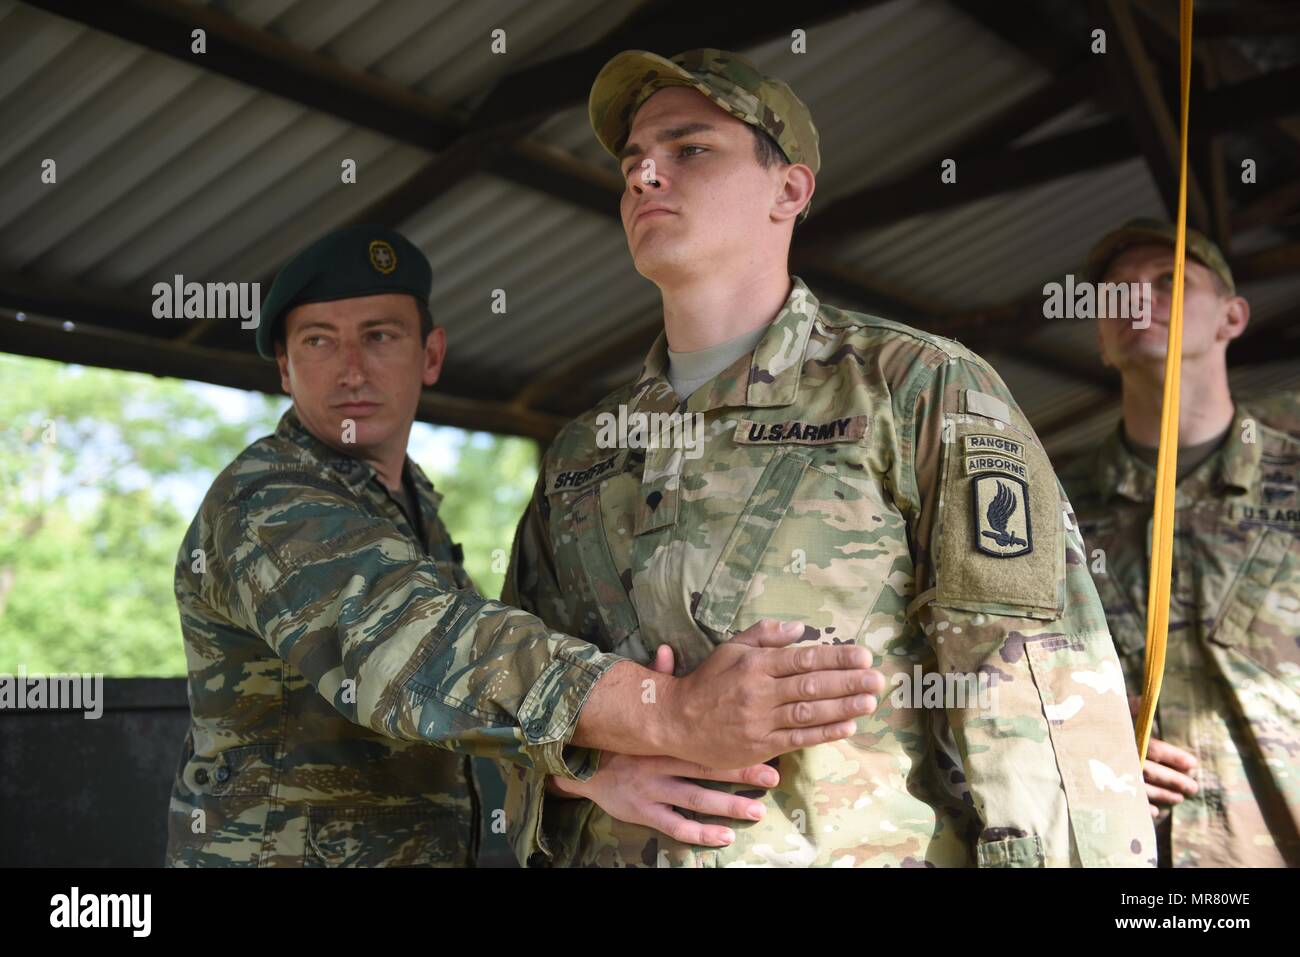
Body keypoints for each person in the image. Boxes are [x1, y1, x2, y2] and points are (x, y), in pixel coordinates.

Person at [498, 49, 1155, 868]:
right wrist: (581, 765)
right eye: (633, 160)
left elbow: (1039, 706)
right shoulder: (580, 452)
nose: (644, 176)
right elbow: (509, 700)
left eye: (689, 149)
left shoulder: (916, 387)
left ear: (790, 190)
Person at [164, 224, 882, 866]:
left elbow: (460, 707)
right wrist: (667, 711)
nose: (351, 367)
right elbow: (407, 638)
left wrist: (587, 764)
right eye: (318, 341)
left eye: (380, 335)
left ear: (431, 355)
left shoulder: (404, 502)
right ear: (285, 370)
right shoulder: (267, 498)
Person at [1059, 218, 1300, 867]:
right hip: (1133, 854)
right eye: (1116, 293)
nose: (1138, 300)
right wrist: (1081, 731)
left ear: (1232, 316)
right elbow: (1008, 671)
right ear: (1102, 339)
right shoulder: (1049, 504)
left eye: (1170, 282)